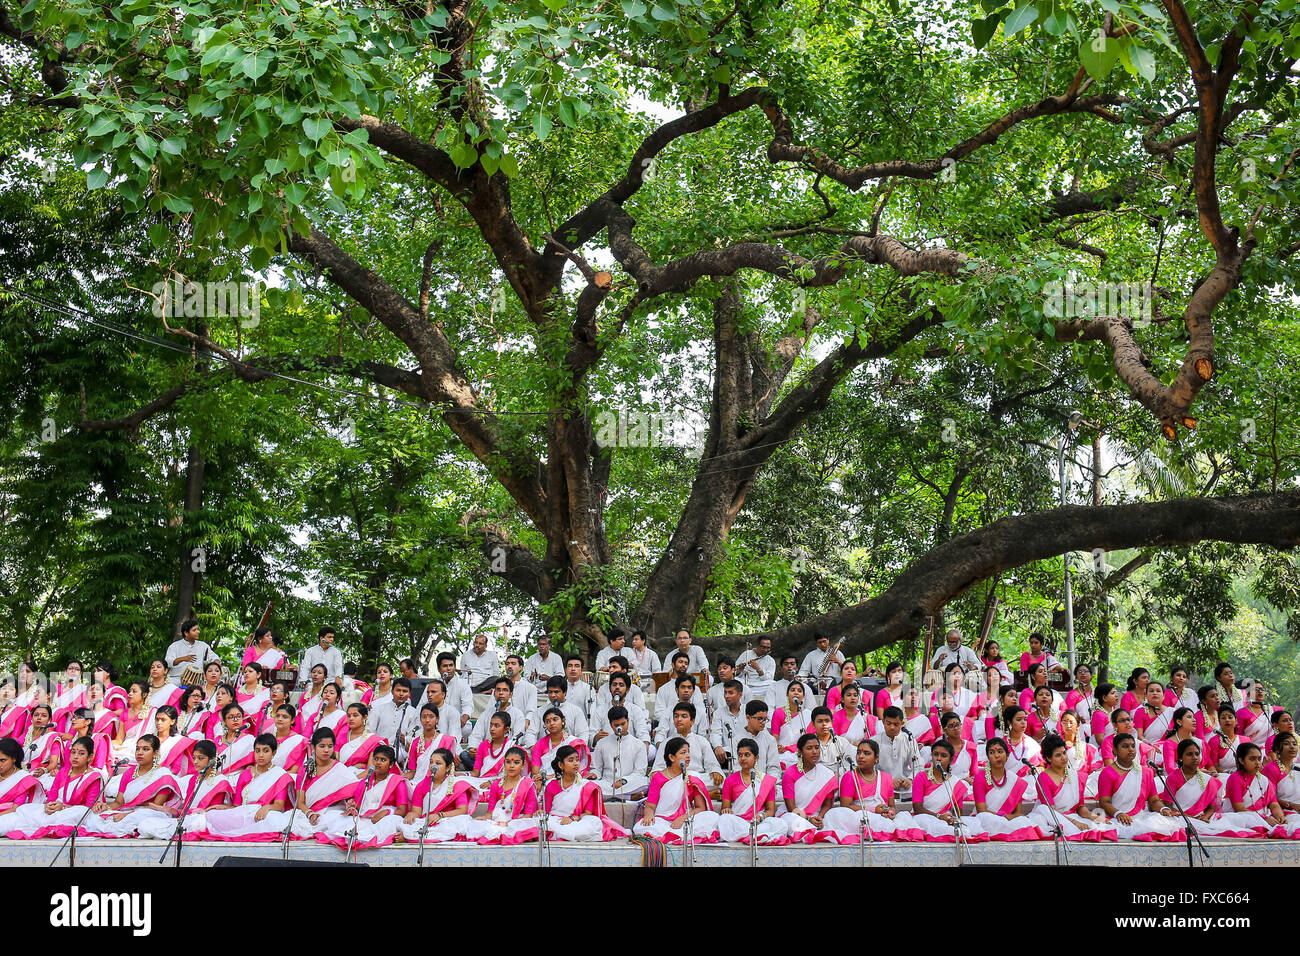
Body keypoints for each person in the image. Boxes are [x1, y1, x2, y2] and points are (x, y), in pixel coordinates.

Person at [3, 736, 103, 839]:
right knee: (25, 809)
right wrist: (49, 805)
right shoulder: (63, 772)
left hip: (73, 814)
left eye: (81, 753)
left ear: (90, 757)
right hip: (55, 811)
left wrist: (63, 807)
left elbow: (89, 808)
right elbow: (52, 797)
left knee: (80, 812)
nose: (75, 756)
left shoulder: (93, 777)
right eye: (73, 752)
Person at [79, 735, 180, 837]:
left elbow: (155, 807)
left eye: (146, 749)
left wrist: (128, 814)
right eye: (137, 749)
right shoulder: (129, 773)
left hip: (149, 813)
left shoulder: (163, 775)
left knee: (136, 818)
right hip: (127, 812)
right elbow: (119, 802)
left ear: (155, 753)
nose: (140, 753)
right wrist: (106, 807)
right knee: (95, 816)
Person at [201, 734, 295, 841]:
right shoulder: (245, 774)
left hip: (261, 816)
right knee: (211, 815)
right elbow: (237, 806)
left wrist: (267, 807)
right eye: (257, 750)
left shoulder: (279, 775)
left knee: (274, 819)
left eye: (265, 751)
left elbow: (279, 805)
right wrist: (223, 807)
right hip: (242, 814)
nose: (260, 755)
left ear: (274, 753)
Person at [135, 739, 233, 839]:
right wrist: (167, 810)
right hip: (186, 819)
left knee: (197, 822)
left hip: (203, 821)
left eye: (200, 758)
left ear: (212, 760)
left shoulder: (221, 782)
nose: (195, 762)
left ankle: (170, 832)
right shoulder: (193, 779)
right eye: (194, 758)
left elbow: (210, 814)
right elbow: (184, 811)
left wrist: (182, 813)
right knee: (145, 824)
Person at [316, 745, 409, 850]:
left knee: (390, 822)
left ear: (391, 764)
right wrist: (352, 808)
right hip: (365, 818)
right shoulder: (365, 781)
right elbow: (358, 806)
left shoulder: (397, 782)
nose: (378, 763)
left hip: (385, 818)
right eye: (376, 759)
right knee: (335, 816)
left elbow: (402, 811)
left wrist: (387, 812)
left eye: (383, 760)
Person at [1096, 733, 1184, 840]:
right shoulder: (1108, 772)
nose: (1131, 749)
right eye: (1125, 746)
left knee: (1173, 825)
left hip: (1140, 817)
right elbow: (1104, 802)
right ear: (1115, 750)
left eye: (1133, 746)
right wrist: (1118, 814)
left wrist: (1163, 809)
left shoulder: (1146, 772)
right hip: (1117, 818)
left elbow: (1154, 800)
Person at [893, 739, 984, 842]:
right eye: (936, 754)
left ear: (951, 759)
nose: (939, 758)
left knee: (967, 827)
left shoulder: (955, 783)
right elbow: (918, 809)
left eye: (943, 756)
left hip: (945, 820)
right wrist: (939, 816)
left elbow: (957, 812)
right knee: (932, 825)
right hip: (924, 818)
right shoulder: (921, 777)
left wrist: (950, 819)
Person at [634, 738, 718, 844]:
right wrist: (648, 815)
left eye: (688, 752)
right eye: (683, 753)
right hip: (663, 821)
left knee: (712, 817)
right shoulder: (658, 777)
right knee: (640, 827)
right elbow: (650, 806)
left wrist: (682, 818)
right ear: (671, 757)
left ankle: (676, 835)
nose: (688, 756)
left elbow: (701, 808)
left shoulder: (693, 776)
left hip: (686, 820)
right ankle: (680, 836)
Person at [1026, 734, 1108, 841]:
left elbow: (1080, 807)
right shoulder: (1043, 778)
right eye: (1058, 755)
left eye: (1064, 753)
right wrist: (1074, 822)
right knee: (1043, 809)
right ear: (1048, 758)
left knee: (1103, 827)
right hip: (1052, 818)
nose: (1063, 757)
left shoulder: (1075, 776)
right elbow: (1051, 811)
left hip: (1072, 817)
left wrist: (1093, 816)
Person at [542, 745, 626, 842]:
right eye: (571, 760)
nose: (576, 764)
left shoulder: (586, 786)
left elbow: (588, 813)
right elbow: (546, 812)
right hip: (556, 821)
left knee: (595, 822)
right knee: (544, 823)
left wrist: (571, 819)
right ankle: (563, 833)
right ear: (561, 765)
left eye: (577, 760)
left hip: (577, 821)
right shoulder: (551, 785)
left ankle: (562, 834)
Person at [1159, 738, 1239, 837]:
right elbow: (1169, 805)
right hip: (1179, 817)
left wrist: (1205, 817)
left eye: (1197, 754)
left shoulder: (1207, 780)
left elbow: (1211, 808)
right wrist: (1189, 816)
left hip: (1200, 819)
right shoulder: (1173, 777)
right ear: (1180, 758)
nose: (1195, 757)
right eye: (1189, 754)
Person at [823, 739, 897, 843]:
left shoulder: (886, 778)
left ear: (876, 758)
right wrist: (873, 810)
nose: (861, 756)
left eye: (866, 753)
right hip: (859, 818)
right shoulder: (849, 776)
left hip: (881, 818)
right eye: (858, 752)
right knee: (835, 814)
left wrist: (890, 812)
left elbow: (891, 805)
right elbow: (845, 807)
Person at [289, 729, 357, 839]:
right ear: (313, 747)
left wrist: (351, 806)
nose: (326, 750)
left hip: (333, 813)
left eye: (330, 746)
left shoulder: (340, 770)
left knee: (342, 822)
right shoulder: (305, 770)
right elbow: (300, 802)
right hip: (308, 815)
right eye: (322, 746)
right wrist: (310, 814)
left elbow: (352, 796)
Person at [465, 747, 539, 844]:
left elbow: (528, 814)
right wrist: (484, 818)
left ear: (523, 765)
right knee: (474, 824)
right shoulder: (496, 784)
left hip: (517, 821)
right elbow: (489, 813)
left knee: (527, 825)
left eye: (516, 762)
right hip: (498, 821)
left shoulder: (527, 784)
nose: (511, 766)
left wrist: (509, 823)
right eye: (508, 762)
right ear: (504, 763)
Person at [398, 748, 475, 843]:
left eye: (438, 763)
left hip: (447, 821)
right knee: (403, 822)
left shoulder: (457, 784)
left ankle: (413, 837)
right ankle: (416, 836)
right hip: (426, 821)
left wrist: (440, 815)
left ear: (448, 767)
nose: (433, 766)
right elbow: (417, 812)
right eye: (431, 762)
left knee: (463, 820)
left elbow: (462, 810)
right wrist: (411, 815)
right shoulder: (421, 786)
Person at [718, 738, 785, 844]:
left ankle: (748, 835)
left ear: (756, 757)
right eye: (740, 755)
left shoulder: (767, 781)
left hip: (757, 822)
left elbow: (770, 810)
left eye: (747, 755)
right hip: (737, 821)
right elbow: (725, 809)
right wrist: (726, 811)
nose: (743, 758)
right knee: (725, 819)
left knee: (781, 824)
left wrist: (761, 816)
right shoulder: (730, 780)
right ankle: (755, 836)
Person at [971, 737, 1039, 841]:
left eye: (1000, 751)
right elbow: (981, 811)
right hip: (987, 819)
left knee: (1022, 820)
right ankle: (1012, 832)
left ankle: (1008, 830)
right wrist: (1003, 816)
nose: (996, 755)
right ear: (988, 757)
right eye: (992, 752)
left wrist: (1009, 817)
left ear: (1007, 755)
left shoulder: (1015, 780)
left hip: (1007, 820)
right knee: (985, 817)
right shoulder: (980, 777)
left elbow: (1018, 813)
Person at [1217, 742, 1287, 836]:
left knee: (1287, 827)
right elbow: (1239, 808)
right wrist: (1263, 818)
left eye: (1259, 758)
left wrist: (1280, 817)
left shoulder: (1264, 780)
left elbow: (1274, 805)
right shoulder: (1235, 778)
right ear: (1241, 760)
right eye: (1252, 759)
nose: (1257, 762)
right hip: (1240, 818)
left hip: (1262, 818)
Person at [779, 733, 838, 843]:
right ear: (800, 752)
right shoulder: (790, 773)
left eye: (817, 747)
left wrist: (819, 817)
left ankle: (815, 830)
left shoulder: (827, 774)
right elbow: (791, 807)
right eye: (809, 748)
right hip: (796, 815)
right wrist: (808, 818)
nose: (814, 752)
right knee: (793, 821)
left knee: (838, 815)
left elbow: (827, 804)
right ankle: (812, 833)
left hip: (818, 816)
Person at [652, 703, 722, 785]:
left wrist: (716, 771)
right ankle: (702, 793)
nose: (679, 719)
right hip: (674, 779)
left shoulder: (701, 741)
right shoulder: (666, 743)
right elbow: (657, 769)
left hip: (698, 778)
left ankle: (694, 790)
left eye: (683, 716)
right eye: (676, 716)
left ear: (692, 721)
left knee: (717, 780)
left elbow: (712, 764)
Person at [587, 707, 650, 797]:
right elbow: (597, 769)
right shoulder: (602, 743)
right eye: (616, 725)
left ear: (628, 721)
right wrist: (594, 774)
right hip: (607, 783)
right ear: (610, 724)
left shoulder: (639, 745)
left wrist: (623, 781)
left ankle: (607, 797)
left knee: (644, 782)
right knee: (586, 784)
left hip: (628, 783)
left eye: (623, 724)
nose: (620, 728)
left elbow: (639, 773)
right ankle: (628, 797)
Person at [873, 705, 922, 795]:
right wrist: (887, 780)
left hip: (905, 786)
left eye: (896, 724)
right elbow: (870, 769)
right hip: (881, 786)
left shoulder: (909, 739)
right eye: (888, 723)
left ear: (902, 723)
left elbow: (918, 765)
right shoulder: (874, 741)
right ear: (883, 722)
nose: (892, 727)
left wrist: (910, 779)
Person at [531, 707, 591, 779]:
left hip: (568, 779)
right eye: (547, 721)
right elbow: (535, 772)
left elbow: (573, 769)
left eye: (555, 719)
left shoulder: (573, 742)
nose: (552, 723)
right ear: (545, 726)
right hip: (543, 780)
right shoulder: (539, 744)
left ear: (563, 721)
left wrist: (550, 777)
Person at [367, 677, 415, 764]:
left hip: (401, 756)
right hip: (378, 753)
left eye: (405, 691)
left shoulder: (413, 713)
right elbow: (370, 732)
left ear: (409, 694)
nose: (401, 694)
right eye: (398, 690)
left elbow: (414, 737)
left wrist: (405, 739)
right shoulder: (379, 709)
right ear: (392, 691)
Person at [407, 704, 459, 781]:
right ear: (420, 719)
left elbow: (449, 769)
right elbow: (412, 772)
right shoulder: (415, 742)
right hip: (418, 782)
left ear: (437, 719)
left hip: (440, 782)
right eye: (424, 717)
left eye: (431, 717)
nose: (427, 720)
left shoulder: (445, 740)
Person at [1264, 732, 1300, 838]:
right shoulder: (1271, 769)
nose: (1292, 747)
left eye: (1294, 744)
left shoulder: (1298, 768)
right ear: (1278, 749)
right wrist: (1292, 806)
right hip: (1283, 812)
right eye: (1287, 744)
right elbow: (1270, 798)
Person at [0, 739, 43, 826]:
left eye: (3, 760)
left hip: (7, 816)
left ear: (14, 759)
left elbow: (16, 809)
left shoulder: (22, 779)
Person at [111, 681, 157, 764]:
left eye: (134, 691)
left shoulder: (152, 713)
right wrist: (108, 743)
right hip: (125, 748)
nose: (130, 694)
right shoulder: (124, 713)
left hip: (144, 748)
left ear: (144, 695)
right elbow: (119, 740)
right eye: (130, 691)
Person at [534, 676, 588, 742]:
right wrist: (536, 749)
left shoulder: (576, 711)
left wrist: (574, 750)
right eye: (550, 692)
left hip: (569, 750)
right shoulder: (540, 711)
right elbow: (530, 734)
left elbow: (583, 735)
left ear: (565, 692)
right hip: (545, 750)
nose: (552, 695)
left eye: (556, 692)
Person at [164, 619, 219, 684]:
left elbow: (214, 657)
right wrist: (183, 658)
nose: (198, 632)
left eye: (197, 629)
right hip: (176, 680)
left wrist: (217, 662)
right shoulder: (175, 646)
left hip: (197, 681)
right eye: (194, 630)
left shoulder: (203, 646)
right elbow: (168, 662)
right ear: (186, 633)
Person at [709, 678, 747, 771]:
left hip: (747, 753)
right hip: (726, 754)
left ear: (740, 694)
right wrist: (717, 747)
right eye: (725, 693)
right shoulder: (719, 713)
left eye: (730, 693)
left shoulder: (748, 710)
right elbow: (715, 733)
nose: (726, 696)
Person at [337, 703, 385, 777]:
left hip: (360, 779)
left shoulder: (373, 740)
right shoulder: (341, 736)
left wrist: (351, 780)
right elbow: (335, 762)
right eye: (349, 716)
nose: (351, 718)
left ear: (365, 717)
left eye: (355, 715)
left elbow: (370, 770)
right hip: (339, 775)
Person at [20, 704, 61, 788]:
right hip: (20, 771)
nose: (39, 718)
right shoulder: (25, 735)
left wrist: (43, 770)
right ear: (31, 718)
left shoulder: (52, 737)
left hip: (39, 773)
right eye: (36, 715)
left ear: (49, 720)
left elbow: (54, 762)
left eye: (44, 716)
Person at [469, 712, 515, 787]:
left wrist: (492, 783)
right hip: (481, 782)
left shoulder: (511, 747)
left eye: (496, 726)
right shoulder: (483, 745)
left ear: (506, 729)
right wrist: (461, 775)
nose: (492, 729)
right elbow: (475, 773)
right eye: (491, 725)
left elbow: (512, 777)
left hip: (502, 785)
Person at [773, 679, 812, 766]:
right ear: (787, 694)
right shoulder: (778, 713)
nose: (796, 693)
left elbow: (810, 738)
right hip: (782, 754)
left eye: (799, 691)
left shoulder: (808, 715)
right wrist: (777, 748)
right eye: (792, 690)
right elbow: (774, 738)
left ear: (804, 696)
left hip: (803, 753)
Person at [152, 704, 196, 777]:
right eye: (157, 719)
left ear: (172, 721)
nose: (159, 723)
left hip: (165, 778)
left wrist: (160, 774)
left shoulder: (178, 742)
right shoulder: (150, 738)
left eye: (163, 720)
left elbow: (175, 769)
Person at [214, 703, 255, 775]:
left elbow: (253, 765)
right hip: (218, 780)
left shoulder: (249, 740)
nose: (235, 719)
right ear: (224, 721)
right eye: (231, 717)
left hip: (239, 780)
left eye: (239, 716)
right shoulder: (217, 741)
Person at [1000, 706, 1042, 776]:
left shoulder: (1032, 744)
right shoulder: (1001, 744)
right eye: (1019, 720)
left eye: (1025, 719)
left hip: (1029, 783)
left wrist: (1037, 769)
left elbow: (1042, 765)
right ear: (1009, 722)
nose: (1023, 722)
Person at [50, 660, 87, 734]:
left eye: (77, 669)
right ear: (66, 671)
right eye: (70, 668)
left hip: (71, 728)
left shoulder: (83, 690)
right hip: (52, 723)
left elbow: (84, 712)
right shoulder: (56, 688)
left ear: (80, 673)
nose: (73, 671)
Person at [269, 704, 307, 774]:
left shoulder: (299, 741)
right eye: (277, 716)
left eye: (285, 717)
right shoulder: (268, 738)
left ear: (292, 720)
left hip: (285, 780)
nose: (280, 719)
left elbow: (294, 771)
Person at [734, 637, 775, 702]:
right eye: (763, 647)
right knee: (734, 680)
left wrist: (758, 668)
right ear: (757, 646)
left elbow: (770, 678)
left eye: (768, 648)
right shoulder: (746, 654)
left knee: (773, 683)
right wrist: (740, 670)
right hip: (745, 683)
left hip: (760, 686)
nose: (766, 650)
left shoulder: (771, 660)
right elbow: (734, 671)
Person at [1159, 707, 1198, 775]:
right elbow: (1170, 769)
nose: (1194, 720)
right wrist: (1195, 772)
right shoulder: (1169, 743)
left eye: (1194, 717)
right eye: (1189, 717)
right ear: (1179, 721)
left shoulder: (1198, 742)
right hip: (1178, 778)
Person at [1065, 663, 1096, 728]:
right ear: (1076, 677)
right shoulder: (1072, 695)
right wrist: (1078, 718)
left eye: (1085, 671)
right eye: (1080, 672)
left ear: (1091, 675)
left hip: (1097, 725)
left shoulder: (1097, 693)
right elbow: (1070, 713)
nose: (1083, 673)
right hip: (1080, 727)